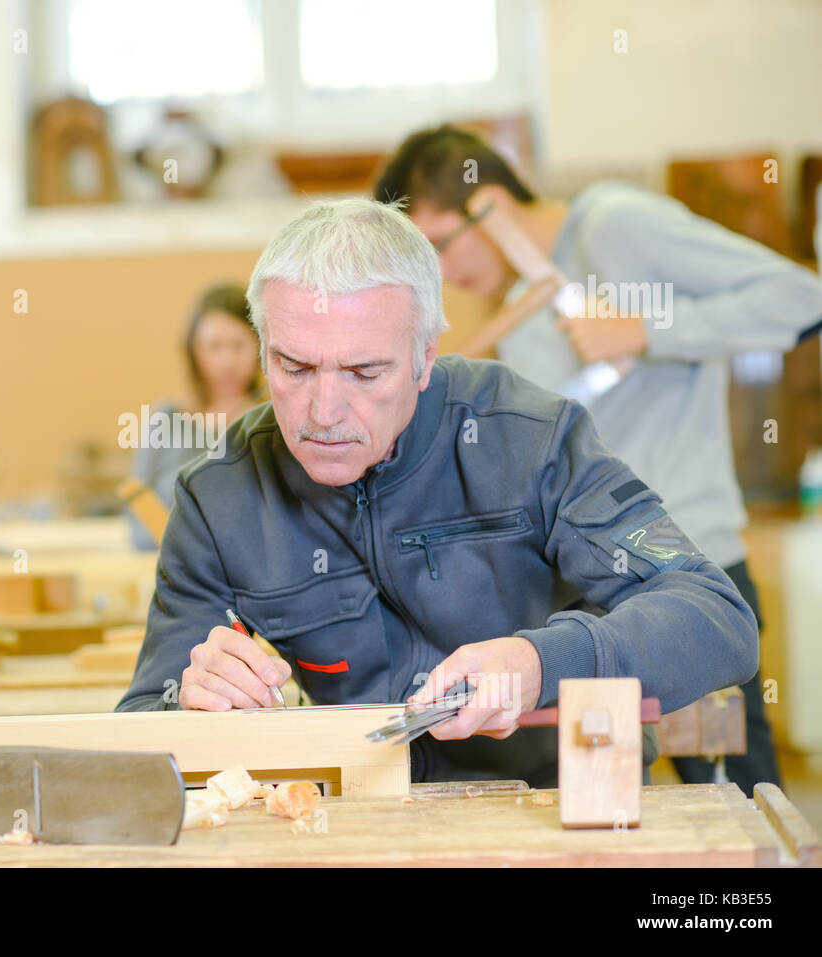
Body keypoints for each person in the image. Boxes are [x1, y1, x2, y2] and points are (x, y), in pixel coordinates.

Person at [116, 198, 759, 788]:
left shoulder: (527, 439)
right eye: (295, 367)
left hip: (558, 820)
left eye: (365, 371)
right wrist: (188, 700)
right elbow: (144, 723)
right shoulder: (220, 493)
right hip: (360, 829)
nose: (324, 411)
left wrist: (540, 661)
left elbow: (716, 619)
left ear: (425, 359)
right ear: (263, 354)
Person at [374, 125, 822, 794]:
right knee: (601, 801)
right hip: (586, 594)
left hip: (685, 574)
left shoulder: (614, 224)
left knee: (735, 800)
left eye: (439, 242)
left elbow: (801, 297)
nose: (442, 271)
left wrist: (646, 329)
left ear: (488, 202)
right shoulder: (514, 321)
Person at [125, 284, 265, 550]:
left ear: (260, 345)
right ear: (193, 350)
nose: (226, 360)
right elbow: (136, 504)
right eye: (214, 347)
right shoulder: (166, 417)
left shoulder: (273, 420)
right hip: (169, 566)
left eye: (238, 345)